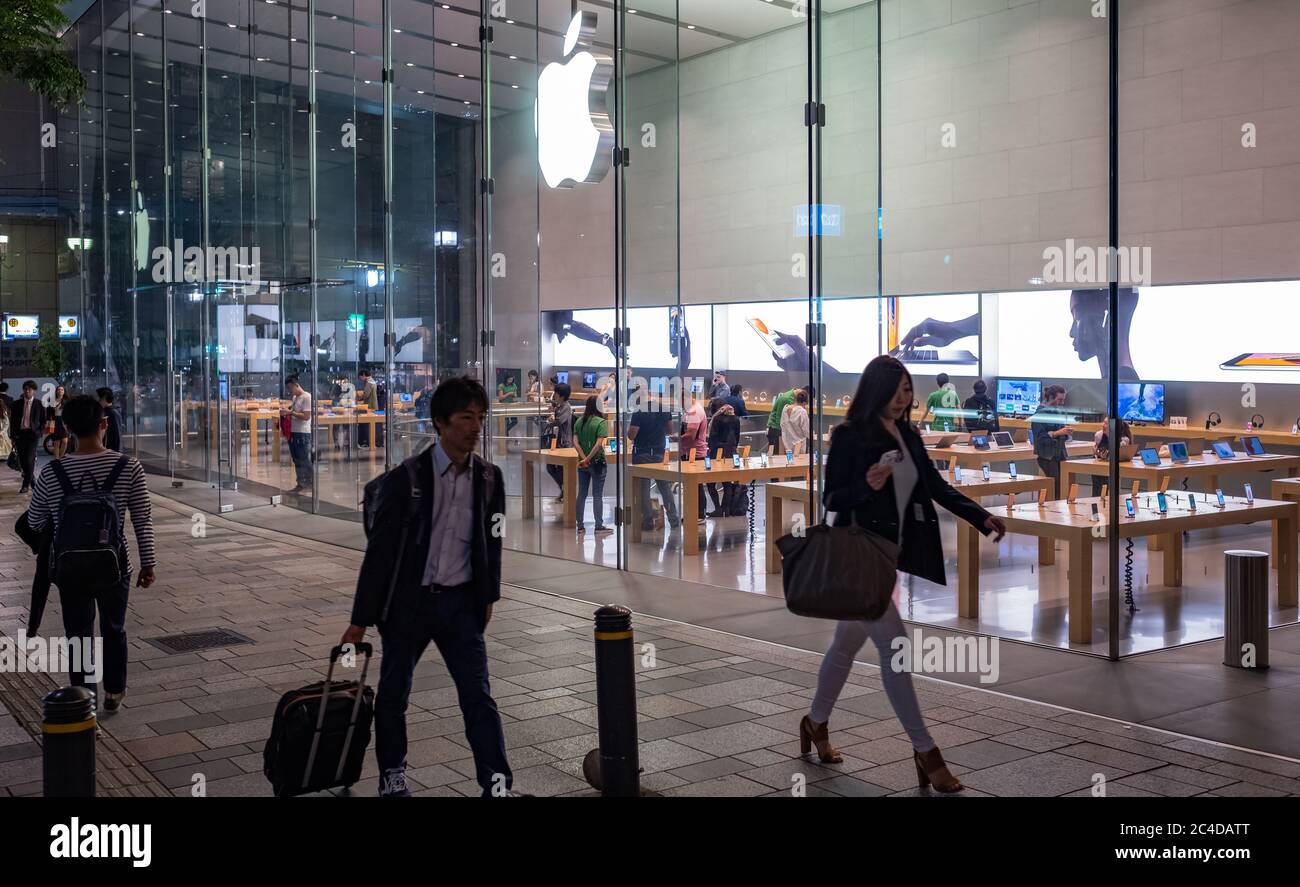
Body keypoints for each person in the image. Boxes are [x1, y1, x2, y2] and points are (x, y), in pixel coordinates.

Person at [803, 356, 1006, 792]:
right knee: (896, 647)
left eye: (908, 390)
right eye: (896, 390)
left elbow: (934, 485)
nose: (904, 398)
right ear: (876, 389)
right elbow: (833, 496)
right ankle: (925, 750)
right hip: (859, 555)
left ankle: (815, 723)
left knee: (845, 646)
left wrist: (980, 516)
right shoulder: (850, 436)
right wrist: (868, 484)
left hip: (890, 555)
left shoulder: (910, 435)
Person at [341, 376, 519, 797]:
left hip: (461, 605)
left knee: (478, 698)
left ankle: (497, 785)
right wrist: (360, 621)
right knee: (393, 696)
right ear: (440, 422)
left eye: (480, 418)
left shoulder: (490, 479)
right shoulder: (408, 478)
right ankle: (393, 778)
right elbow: (380, 554)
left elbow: (493, 541)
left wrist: (487, 596)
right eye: (465, 418)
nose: (475, 427)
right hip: (409, 605)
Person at [27, 395, 157, 711]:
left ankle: (83, 703)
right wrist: (148, 564)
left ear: (67, 428)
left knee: (78, 635)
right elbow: (142, 518)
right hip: (115, 565)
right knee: (114, 628)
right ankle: (114, 692)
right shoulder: (129, 467)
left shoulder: (52, 472)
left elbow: (34, 521)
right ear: (104, 424)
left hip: (69, 568)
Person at [627, 394, 678, 531]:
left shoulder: (639, 411)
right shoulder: (664, 409)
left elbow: (632, 435)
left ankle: (648, 521)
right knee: (665, 488)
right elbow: (670, 430)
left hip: (642, 453)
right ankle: (674, 520)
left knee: (643, 488)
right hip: (659, 452)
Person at [1070, 287, 1140, 380]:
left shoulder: (1118, 388)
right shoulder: (1118, 383)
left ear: (1104, 319)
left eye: (1078, 318)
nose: (1071, 333)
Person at [573, 396, 611, 536]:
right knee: (597, 494)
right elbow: (598, 444)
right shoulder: (601, 422)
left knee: (582, 493)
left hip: (582, 464)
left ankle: (580, 526)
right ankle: (598, 526)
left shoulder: (578, 422)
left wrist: (583, 459)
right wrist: (589, 458)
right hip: (597, 463)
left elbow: (575, 443)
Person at [1031, 384, 1073, 499]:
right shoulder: (1039, 414)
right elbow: (1040, 438)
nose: (1062, 403)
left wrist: (1066, 433)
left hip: (1060, 454)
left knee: (1063, 486)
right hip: (1047, 456)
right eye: (1059, 399)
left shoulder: (1057, 413)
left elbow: (1062, 434)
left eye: (1063, 400)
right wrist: (1058, 433)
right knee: (1056, 487)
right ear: (1050, 397)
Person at [705, 400, 741, 518]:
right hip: (731, 452)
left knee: (710, 482)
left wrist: (710, 451)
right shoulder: (736, 419)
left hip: (717, 453)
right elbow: (737, 436)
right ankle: (726, 508)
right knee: (727, 483)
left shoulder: (717, 419)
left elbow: (713, 438)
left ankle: (718, 508)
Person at [281, 375, 313, 494]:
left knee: (304, 458)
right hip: (293, 432)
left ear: (296, 385)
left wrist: (291, 412)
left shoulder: (307, 397)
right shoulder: (295, 397)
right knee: (296, 459)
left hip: (302, 433)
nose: (290, 390)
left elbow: (306, 416)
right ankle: (300, 483)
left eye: (290, 387)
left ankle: (309, 482)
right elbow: (293, 411)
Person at [680, 392, 710, 522]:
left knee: (696, 486)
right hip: (690, 451)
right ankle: (693, 513)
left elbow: (691, 435)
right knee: (690, 486)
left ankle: (699, 514)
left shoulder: (694, 411)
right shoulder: (691, 410)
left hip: (694, 453)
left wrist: (675, 437)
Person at [13, 381, 47, 494]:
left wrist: (38, 432)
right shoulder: (17, 404)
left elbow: (43, 421)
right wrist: (13, 435)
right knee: (22, 461)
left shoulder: (40, 404)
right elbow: (13, 421)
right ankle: (33, 482)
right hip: (20, 434)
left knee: (29, 458)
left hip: (33, 435)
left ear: (34, 391)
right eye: (26, 389)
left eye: (30, 389)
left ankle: (25, 485)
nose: (27, 391)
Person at [541, 382, 573, 502]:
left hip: (564, 443)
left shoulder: (566, 407)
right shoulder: (559, 406)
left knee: (560, 469)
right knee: (550, 467)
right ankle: (563, 489)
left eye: (557, 394)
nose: (554, 396)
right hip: (556, 442)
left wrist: (551, 419)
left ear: (562, 396)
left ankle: (565, 491)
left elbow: (559, 421)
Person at [1092, 417, 1133, 496]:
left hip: (1113, 467)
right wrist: (1096, 453)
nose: (1103, 425)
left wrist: (1106, 456)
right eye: (1103, 423)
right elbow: (1097, 453)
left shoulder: (1124, 440)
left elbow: (1118, 456)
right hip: (1100, 466)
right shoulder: (1098, 435)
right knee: (1097, 481)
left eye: (1106, 424)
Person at [766, 387, 799, 453]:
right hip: (776, 429)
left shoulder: (793, 397)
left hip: (781, 430)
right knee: (775, 455)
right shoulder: (786, 398)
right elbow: (779, 417)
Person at [780, 389, 810, 454]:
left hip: (787, 445)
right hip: (799, 446)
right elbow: (807, 431)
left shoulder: (785, 408)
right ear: (804, 403)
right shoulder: (802, 411)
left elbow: (782, 425)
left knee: (789, 463)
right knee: (799, 463)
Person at [96, 388, 123, 453]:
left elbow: (117, 435)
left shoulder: (113, 413)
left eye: (97, 397)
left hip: (111, 451)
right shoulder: (103, 411)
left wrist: (118, 453)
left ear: (104, 398)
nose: (96, 400)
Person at [358, 369, 380, 448]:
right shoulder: (373, 381)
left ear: (364, 375)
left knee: (367, 425)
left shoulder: (369, 382)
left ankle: (367, 442)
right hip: (373, 405)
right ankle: (371, 442)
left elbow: (366, 395)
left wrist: (359, 396)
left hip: (370, 406)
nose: (360, 379)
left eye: (360, 377)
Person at [50, 386, 69, 459]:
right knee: (56, 442)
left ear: (64, 392)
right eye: (58, 389)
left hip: (64, 421)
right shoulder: (52, 400)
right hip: (55, 421)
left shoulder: (67, 401)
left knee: (65, 441)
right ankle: (56, 459)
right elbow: (49, 412)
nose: (60, 391)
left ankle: (60, 458)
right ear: (56, 391)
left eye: (62, 389)